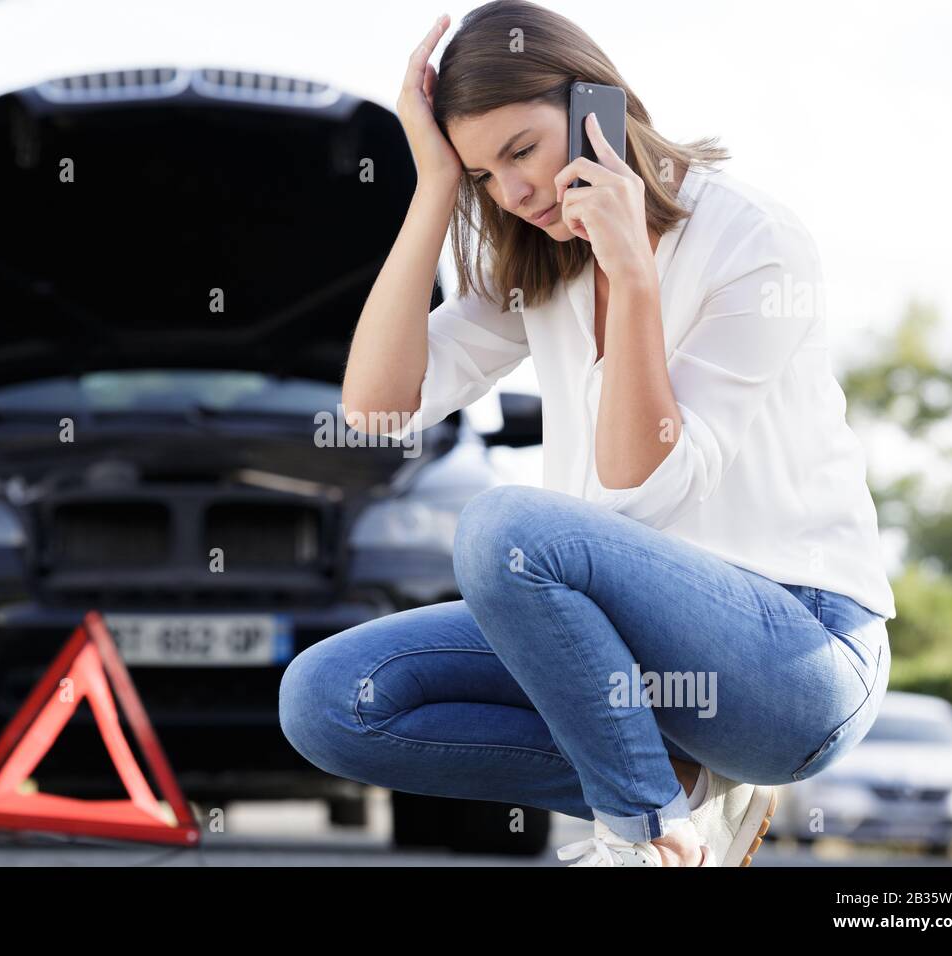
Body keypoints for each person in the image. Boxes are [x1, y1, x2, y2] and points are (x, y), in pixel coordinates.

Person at [279, 0, 895, 867]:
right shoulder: (533, 262)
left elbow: (637, 485)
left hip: (797, 654)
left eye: (521, 151)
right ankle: (675, 796)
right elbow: (375, 411)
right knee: (330, 697)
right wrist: (432, 192)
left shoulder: (751, 239)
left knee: (505, 530)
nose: (515, 192)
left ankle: (644, 837)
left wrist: (633, 281)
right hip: (622, 649)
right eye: (484, 174)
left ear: (594, 106)